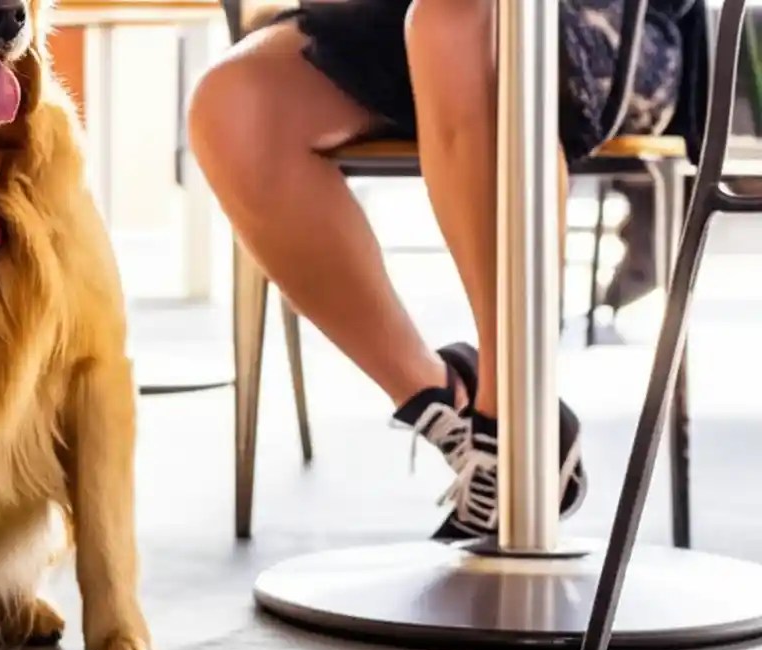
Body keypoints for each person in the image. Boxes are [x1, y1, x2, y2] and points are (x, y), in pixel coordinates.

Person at [188, 0, 706, 540]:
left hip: (611, 31)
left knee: (454, 21)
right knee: (233, 106)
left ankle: (512, 432)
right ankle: (444, 399)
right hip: (392, 21)